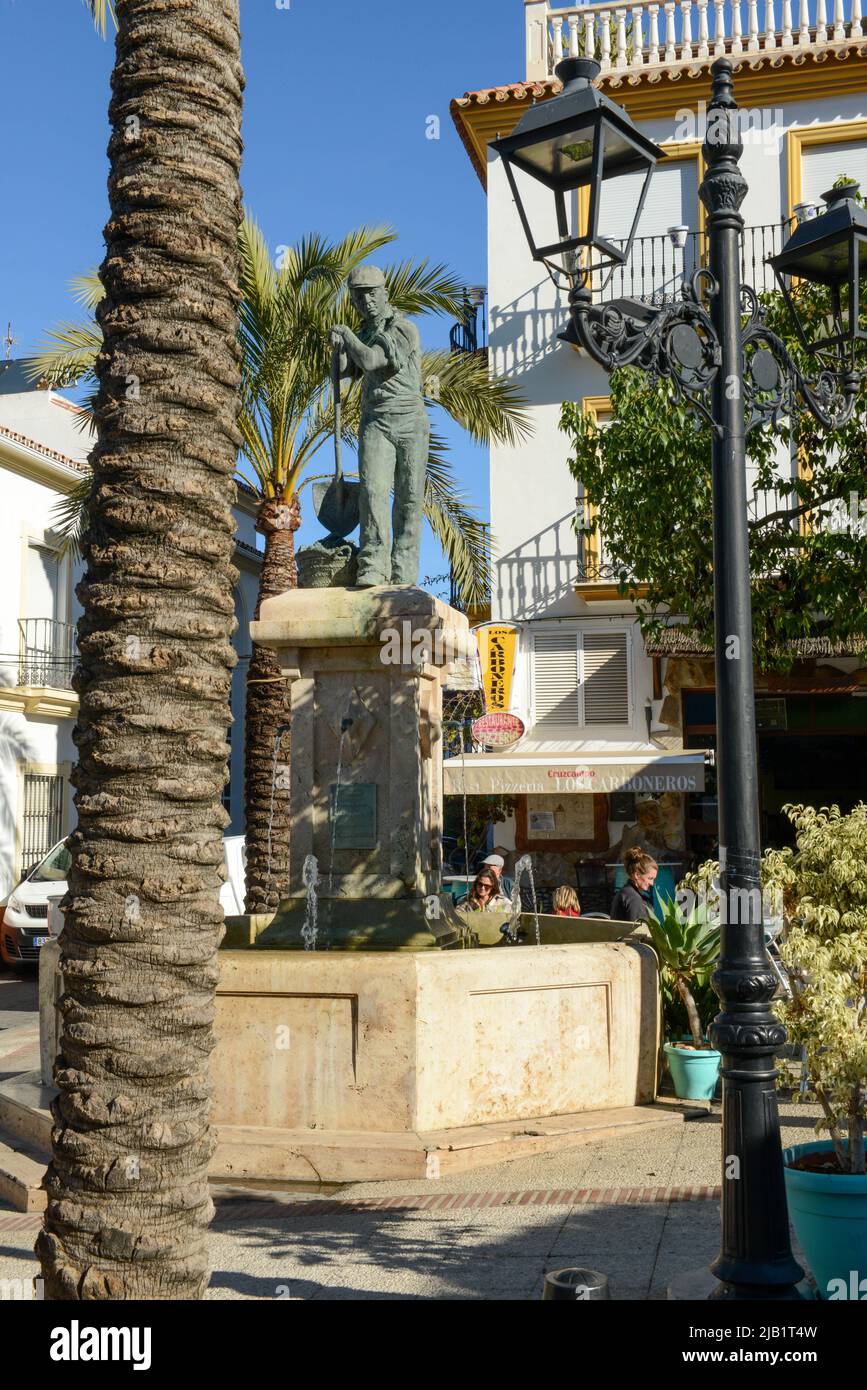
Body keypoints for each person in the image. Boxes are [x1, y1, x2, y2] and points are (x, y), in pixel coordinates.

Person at [329, 264, 429, 587]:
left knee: (409, 499)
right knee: (372, 492)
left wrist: (347, 336)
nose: (366, 302)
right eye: (359, 297)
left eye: (371, 294)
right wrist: (339, 349)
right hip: (375, 422)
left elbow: (372, 360)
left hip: (410, 423)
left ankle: (403, 571)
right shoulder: (363, 334)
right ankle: (373, 565)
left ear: (384, 293)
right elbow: (346, 371)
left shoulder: (404, 328)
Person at [610, 847, 658, 922]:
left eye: (653, 879)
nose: (652, 883)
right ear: (637, 875)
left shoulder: (624, 893)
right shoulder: (634, 899)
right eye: (650, 878)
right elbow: (637, 928)